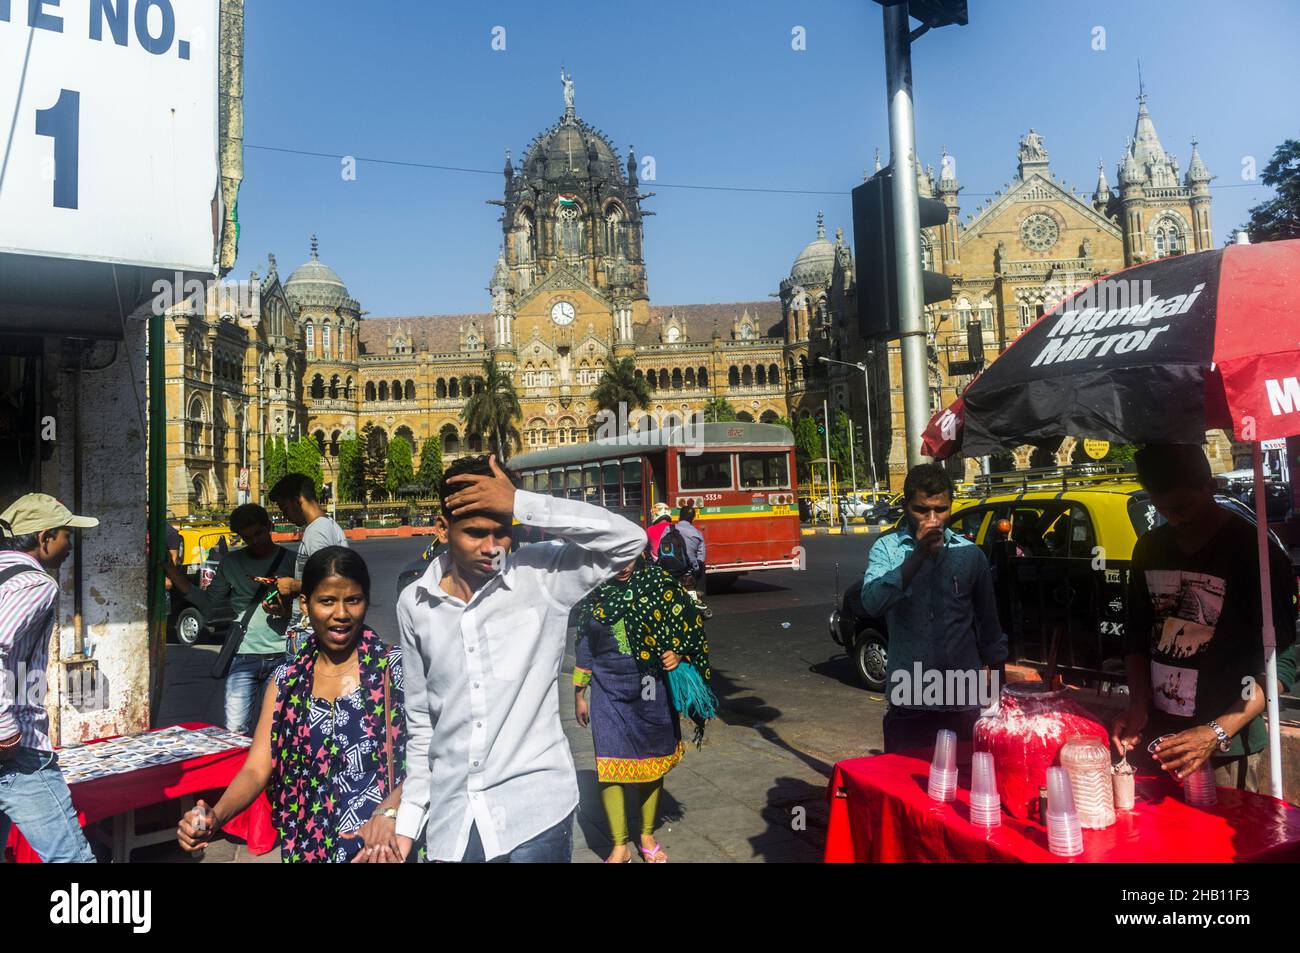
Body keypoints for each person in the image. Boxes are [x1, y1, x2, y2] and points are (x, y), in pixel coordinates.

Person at [394, 454, 645, 863]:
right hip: (453, 819)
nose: (492, 549)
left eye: (503, 532)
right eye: (475, 533)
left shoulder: (542, 576)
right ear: (442, 528)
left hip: (536, 810)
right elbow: (422, 724)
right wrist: (407, 821)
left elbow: (629, 541)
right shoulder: (415, 604)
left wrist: (522, 503)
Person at [176, 547, 406, 863]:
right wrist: (215, 815)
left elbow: (435, 757)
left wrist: (392, 809)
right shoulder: (286, 682)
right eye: (327, 601)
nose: (341, 613)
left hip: (380, 852)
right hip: (307, 849)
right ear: (305, 603)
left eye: (353, 600)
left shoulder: (394, 670)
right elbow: (257, 768)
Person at [1112, 444, 1298, 791]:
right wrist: (1138, 703)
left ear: (1210, 487)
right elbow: (1136, 635)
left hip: (1228, 749)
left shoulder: (1254, 550)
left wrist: (1216, 731)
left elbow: (1284, 658)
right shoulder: (1149, 547)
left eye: (1184, 506)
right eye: (1162, 508)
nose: (1176, 518)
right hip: (1156, 740)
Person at [574, 553, 713, 863]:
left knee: (651, 765)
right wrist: (579, 693)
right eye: (616, 558)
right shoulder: (594, 593)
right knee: (609, 766)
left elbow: (689, 627)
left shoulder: (658, 586)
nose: (623, 566)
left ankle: (647, 835)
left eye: (630, 558)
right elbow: (585, 644)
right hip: (607, 694)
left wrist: (677, 654)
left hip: (651, 693)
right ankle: (620, 845)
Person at [860, 464, 1007, 753]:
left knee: (963, 788)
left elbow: (990, 627)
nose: (932, 519)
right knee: (905, 786)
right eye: (921, 510)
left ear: (951, 506)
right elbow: (871, 603)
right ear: (906, 507)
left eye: (940, 510)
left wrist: (999, 691)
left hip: (962, 693)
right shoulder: (887, 549)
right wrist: (916, 557)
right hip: (911, 693)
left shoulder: (970, 555)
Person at [0, 493, 100, 863]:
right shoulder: (35, 585)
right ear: (44, 538)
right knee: (72, 859)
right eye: (66, 535)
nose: (70, 544)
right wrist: (5, 730)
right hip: (16, 750)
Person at [164, 504, 292, 735]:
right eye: (247, 537)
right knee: (235, 729)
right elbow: (209, 603)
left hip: (283, 655)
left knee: (277, 728)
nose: (254, 541)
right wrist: (174, 575)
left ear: (269, 527)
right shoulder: (230, 564)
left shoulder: (291, 561)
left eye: (259, 534)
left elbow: (311, 604)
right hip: (244, 655)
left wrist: (287, 608)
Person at [269, 472, 348, 657]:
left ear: (297, 501)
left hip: (311, 633)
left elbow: (330, 584)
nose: (285, 515)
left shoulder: (317, 532)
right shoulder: (328, 526)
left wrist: (292, 585)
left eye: (284, 508)